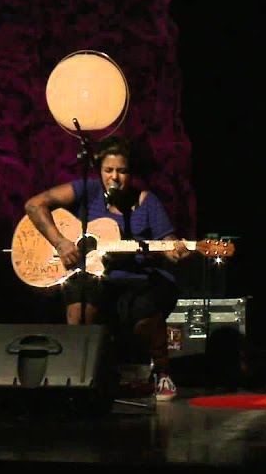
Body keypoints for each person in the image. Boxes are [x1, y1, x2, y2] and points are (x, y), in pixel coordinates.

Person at [24, 135, 191, 399]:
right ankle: (80, 375)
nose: (115, 177)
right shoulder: (87, 191)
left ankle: (162, 373)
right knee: (78, 302)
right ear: (99, 171)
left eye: (122, 171)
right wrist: (60, 242)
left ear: (130, 174)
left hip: (138, 279)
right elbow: (34, 205)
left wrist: (176, 249)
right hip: (97, 276)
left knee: (145, 309)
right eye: (108, 170)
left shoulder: (146, 201)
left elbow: (167, 242)